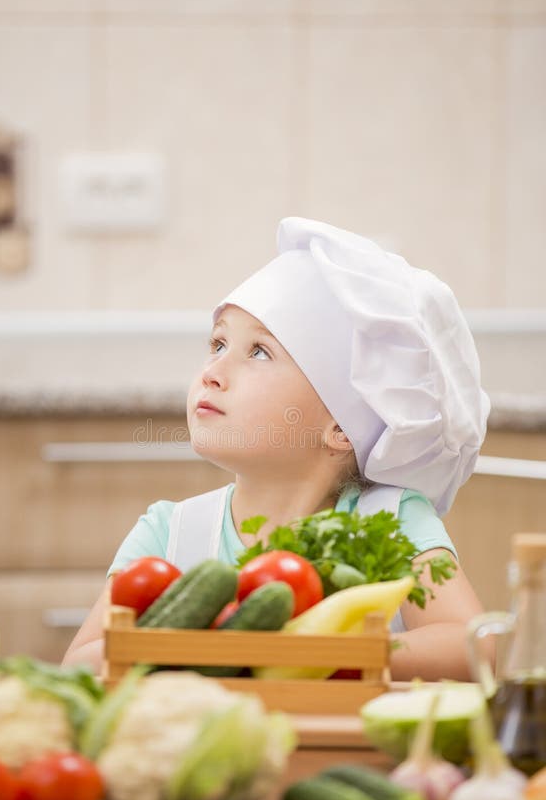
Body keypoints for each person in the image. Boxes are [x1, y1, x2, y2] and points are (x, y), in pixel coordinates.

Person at [63, 217, 491, 681]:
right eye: (218, 343)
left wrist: (317, 652)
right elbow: (79, 664)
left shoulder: (393, 522)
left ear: (340, 428)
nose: (212, 370)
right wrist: (212, 647)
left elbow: (475, 646)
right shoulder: (169, 532)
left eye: (259, 352)